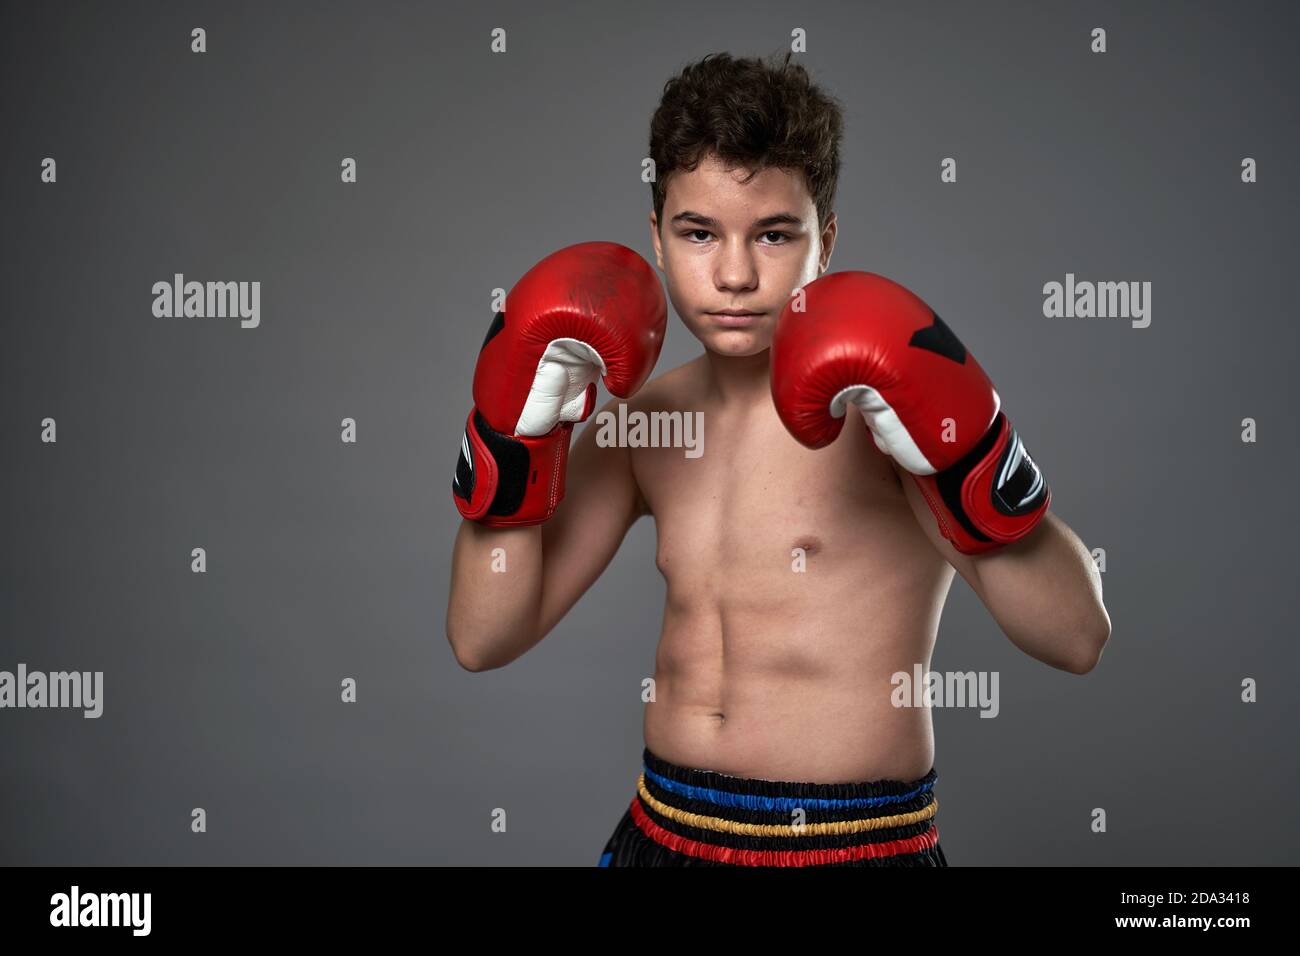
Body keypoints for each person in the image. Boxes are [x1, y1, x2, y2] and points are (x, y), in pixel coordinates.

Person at [447, 51, 1111, 867]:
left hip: (857, 845)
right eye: (699, 233)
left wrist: (964, 459)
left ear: (824, 242)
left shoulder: (883, 416)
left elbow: (1078, 637)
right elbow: (484, 638)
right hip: (663, 833)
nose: (733, 274)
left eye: (773, 233)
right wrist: (514, 437)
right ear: (655, 240)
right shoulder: (644, 426)